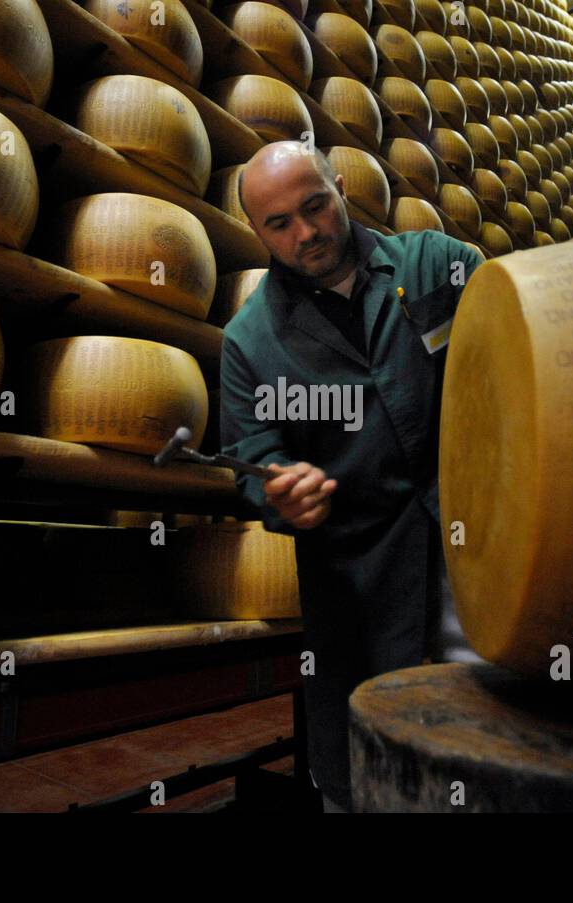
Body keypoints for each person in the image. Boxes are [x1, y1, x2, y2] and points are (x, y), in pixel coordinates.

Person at [219, 141, 485, 812]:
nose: (306, 233)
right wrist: (277, 489)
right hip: (361, 585)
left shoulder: (437, 266)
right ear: (257, 232)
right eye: (279, 224)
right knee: (371, 779)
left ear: (341, 187)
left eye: (316, 206)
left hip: (475, 558)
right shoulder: (250, 342)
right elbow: (252, 453)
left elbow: (515, 348)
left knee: (494, 751)